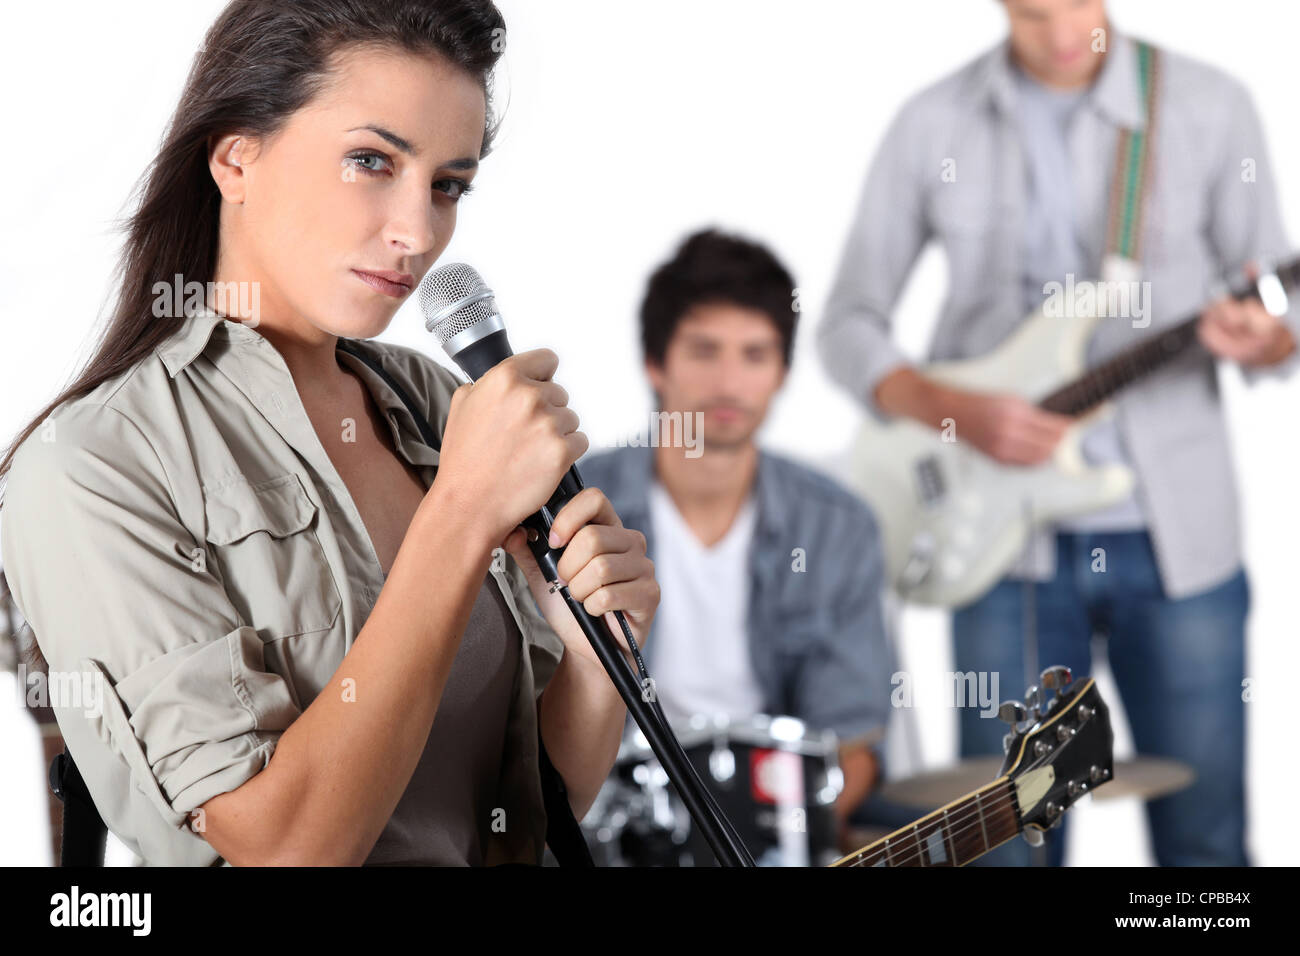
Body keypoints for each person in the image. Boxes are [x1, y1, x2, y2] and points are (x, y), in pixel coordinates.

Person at [0, 0, 659, 867]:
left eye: (447, 185)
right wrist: (457, 519)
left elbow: (526, 816)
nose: (417, 232)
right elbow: (284, 850)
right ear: (237, 158)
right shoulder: (95, 464)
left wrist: (594, 654)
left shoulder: (430, 402)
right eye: (369, 160)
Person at [817, 0, 1298, 866]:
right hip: (1001, 557)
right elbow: (847, 323)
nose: (1066, 31)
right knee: (1006, 846)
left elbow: (1275, 312)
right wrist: (953, 409)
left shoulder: (1209, 105)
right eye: (1036, 11)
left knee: (1206, 844)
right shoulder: (934, 122)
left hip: (1178, 542)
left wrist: (1268, 338)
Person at [579, 228, 894, 854]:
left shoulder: (837, 526)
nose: (729, 383)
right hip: (608, 820)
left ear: (782, 373)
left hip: (776, 818)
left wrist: (766, 840)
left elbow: (851, 744)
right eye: (704, 351)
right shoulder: (575, 505)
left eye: (755, 355)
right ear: (655, 363)